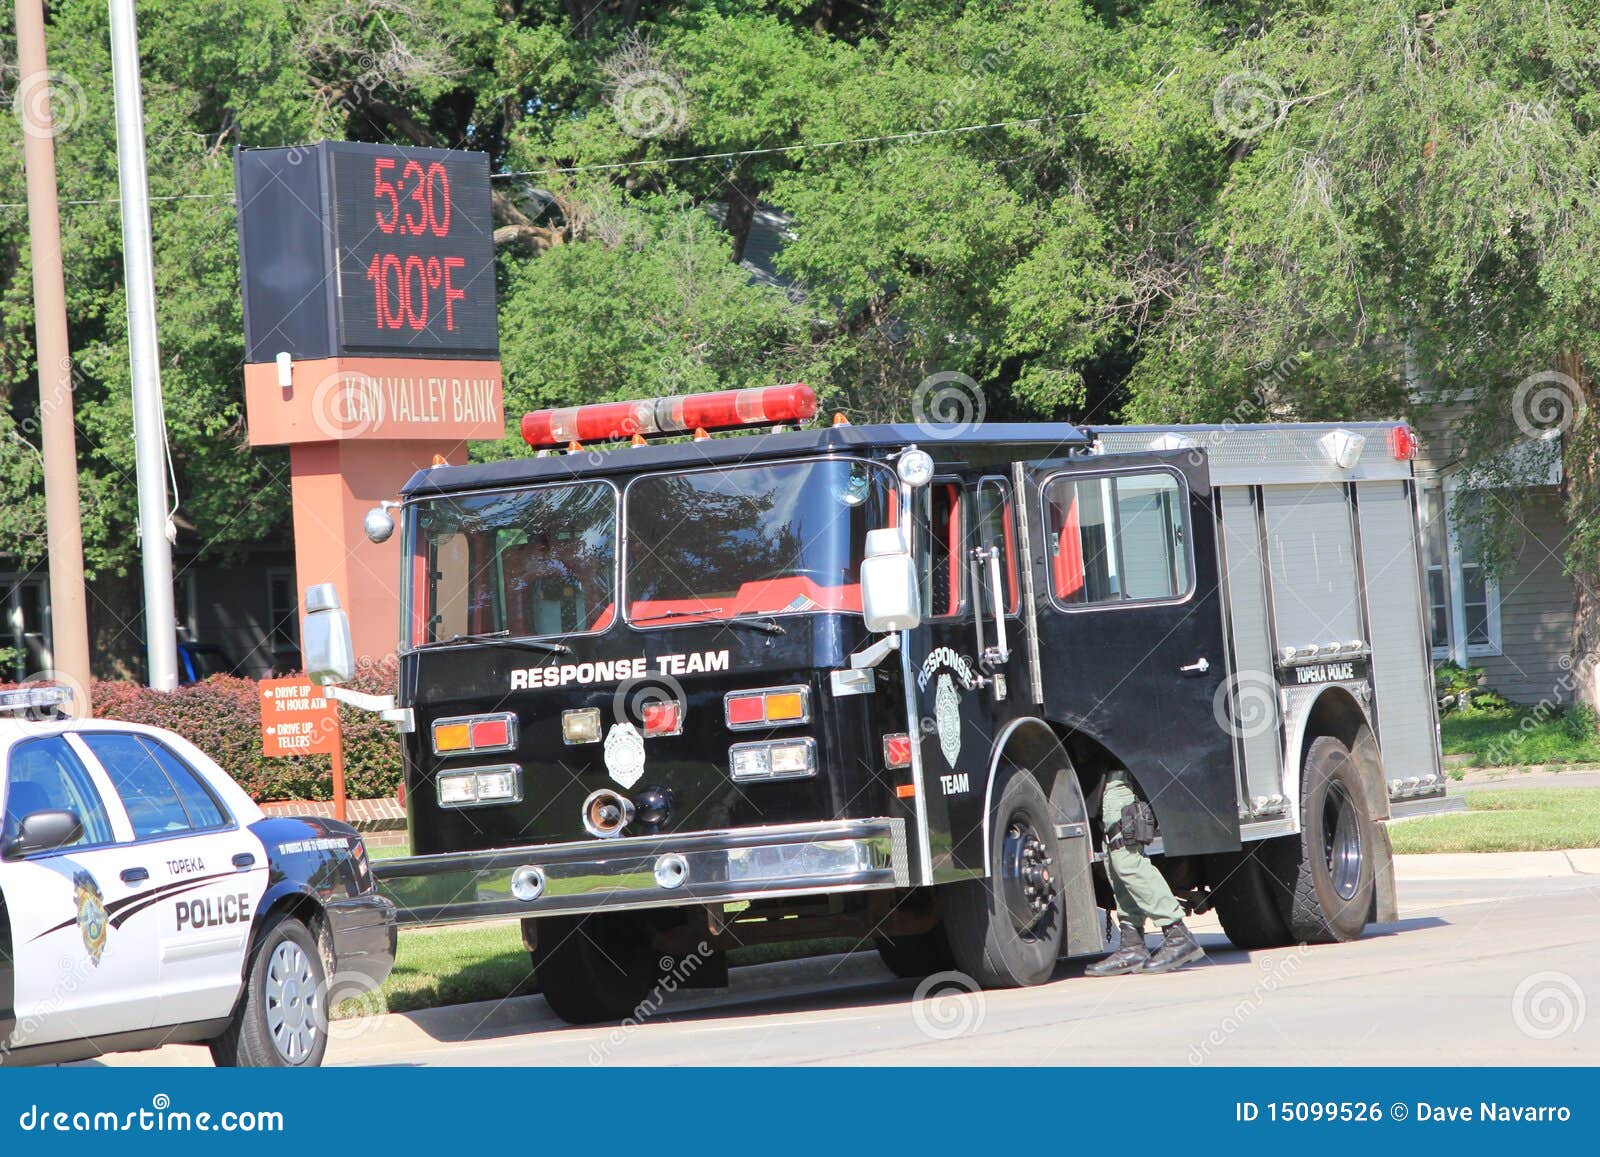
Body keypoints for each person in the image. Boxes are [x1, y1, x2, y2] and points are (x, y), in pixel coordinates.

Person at [1085, 768, 1205, 976]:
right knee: (1114, 867)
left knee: (1127, 862)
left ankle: (1177, 934)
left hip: (1118, 784)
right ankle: (1132, 945)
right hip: (1103, 785)